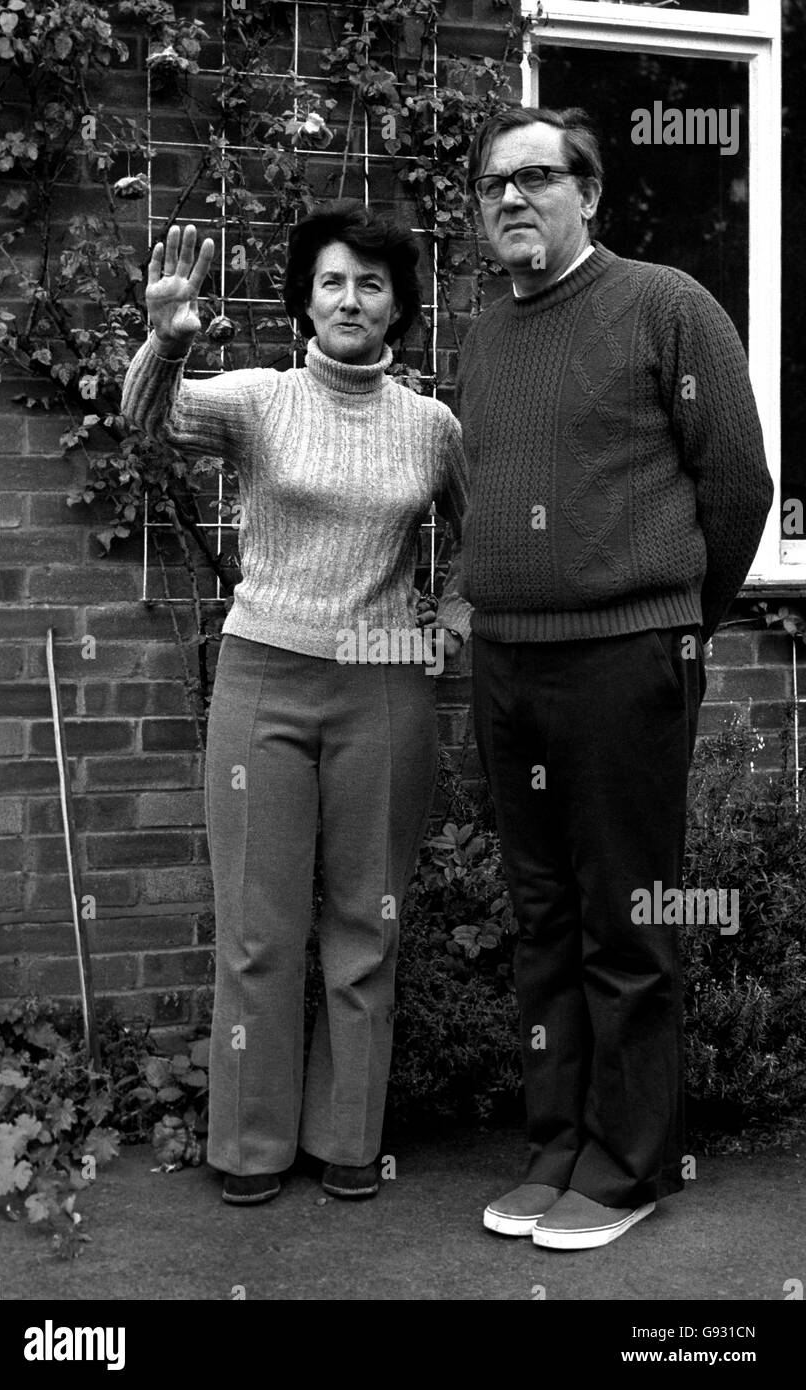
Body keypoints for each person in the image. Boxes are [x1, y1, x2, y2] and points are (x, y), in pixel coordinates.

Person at [455, 106, 773, 1249]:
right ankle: (558, 1144)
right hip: (508, 660)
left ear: (587, 190)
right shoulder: (486, 332)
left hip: (627, 657)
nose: (511, 198)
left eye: (536, 176)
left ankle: (631, 1164)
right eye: (492, 183)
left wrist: (681, 623)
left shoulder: (666, 305)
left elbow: (737, 482)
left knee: (628, 915)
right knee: (541, 915)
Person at [121, 201, 470, 1205]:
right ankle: (249, 1145)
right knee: (260, 928)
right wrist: (163, 338)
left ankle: (349, 1140)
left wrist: (456, 606)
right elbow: (153, 418)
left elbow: (483, 534)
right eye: (331, 281)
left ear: (397, 304)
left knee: (368, 925)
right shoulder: (259, 400)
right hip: (264, 679)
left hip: (385, 690)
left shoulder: (432, 426)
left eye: (370, 282)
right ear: (304, 300)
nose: (350, 298)